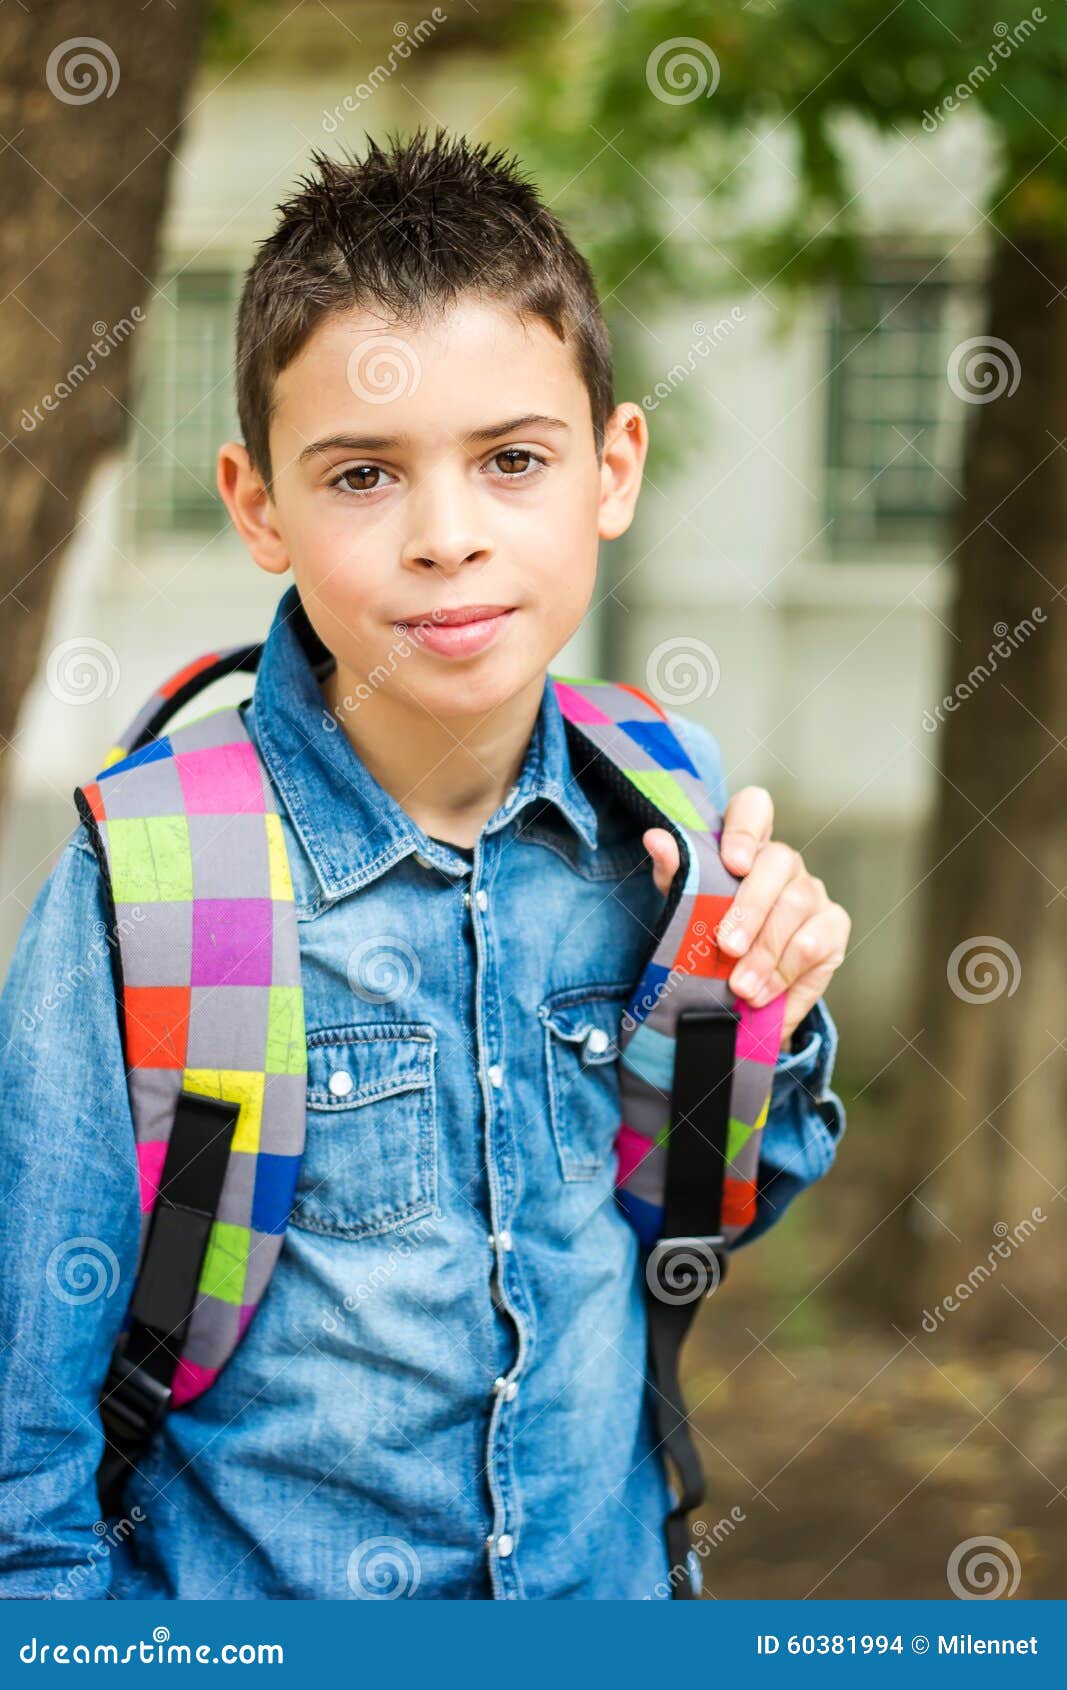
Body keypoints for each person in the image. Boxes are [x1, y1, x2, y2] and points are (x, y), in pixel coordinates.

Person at [0, 129, 850, 1600]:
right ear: (258, 502)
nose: (448, 537)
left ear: (613, 466)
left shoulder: (662, 801)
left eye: (514, 460)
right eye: (364, 475)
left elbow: (705, 1206)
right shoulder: (152, 884)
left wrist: (774, 996)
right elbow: (26, 1456)